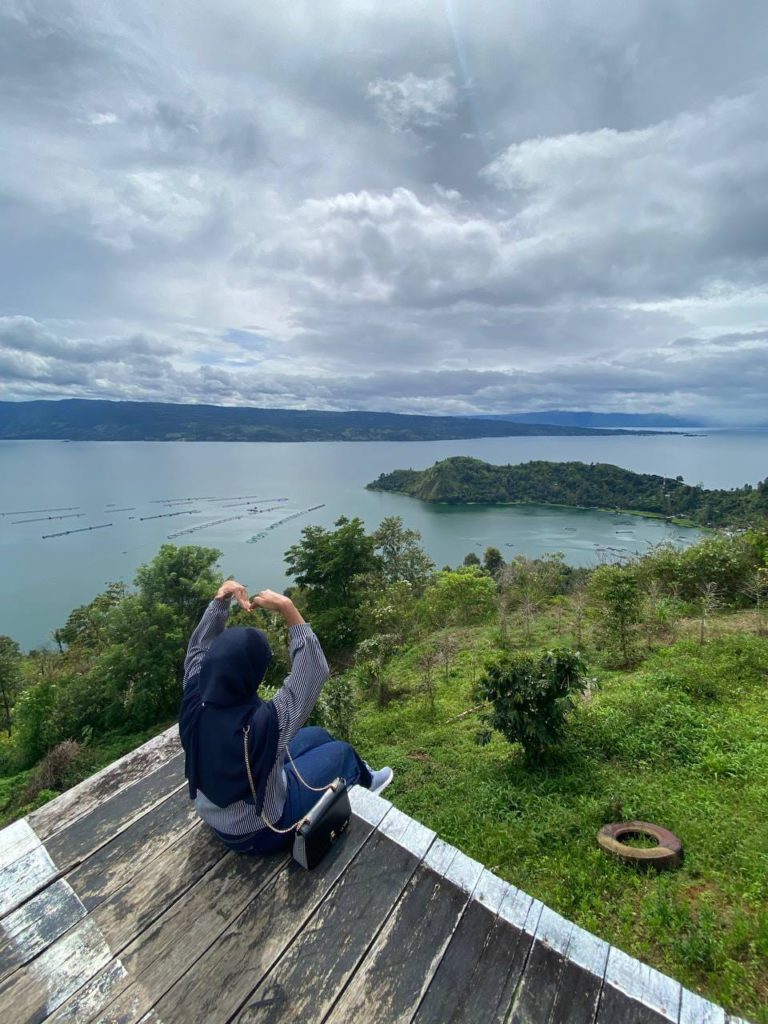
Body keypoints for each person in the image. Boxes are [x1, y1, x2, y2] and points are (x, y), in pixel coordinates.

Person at [179, 578, 393, 854]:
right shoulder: (261, 726)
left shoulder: (195, 698)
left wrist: (220, 602)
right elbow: (313, 671)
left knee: (318, 736)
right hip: (258, 830)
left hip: (215, 815)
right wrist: (288, 609)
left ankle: (348, 771)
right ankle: (366, 782)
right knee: (342, 753)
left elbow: (197, 649)